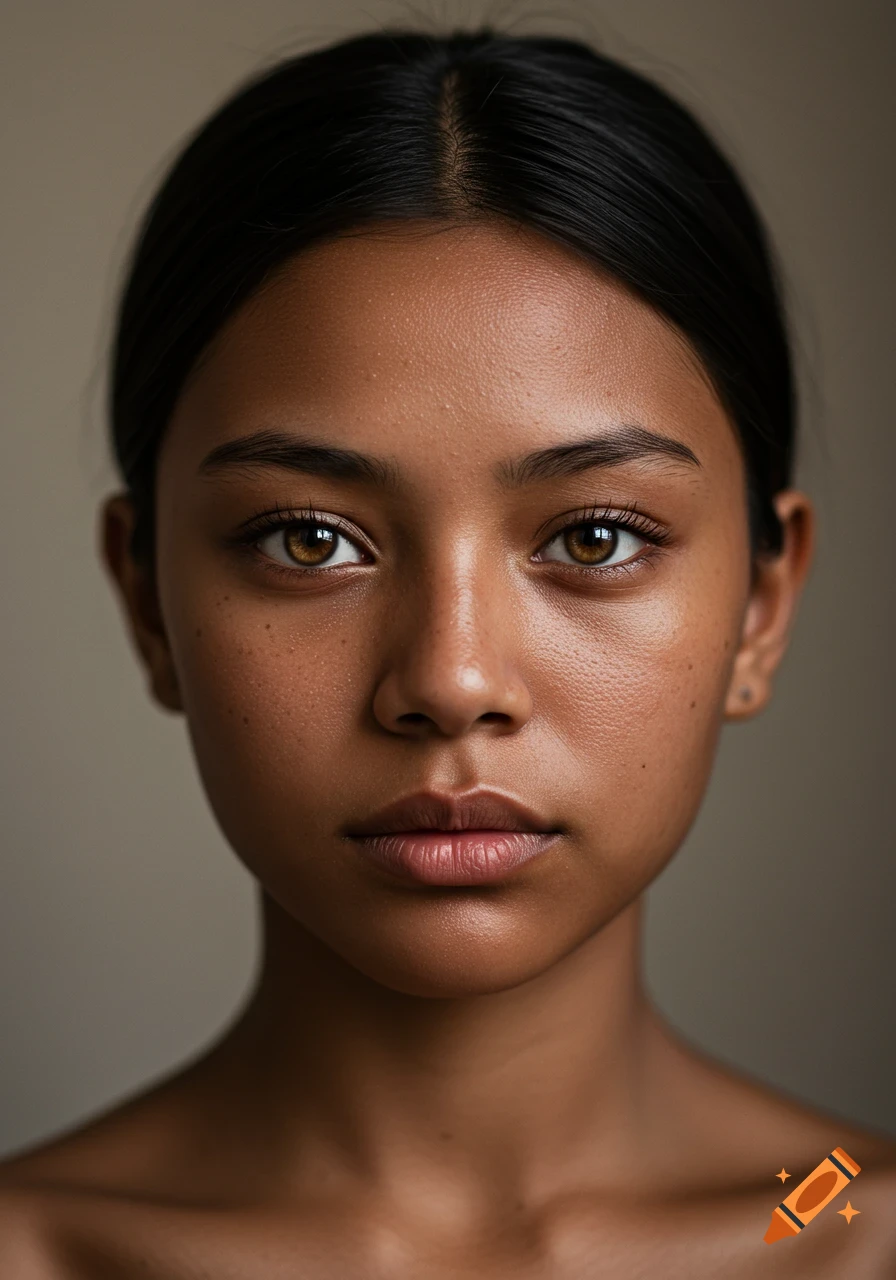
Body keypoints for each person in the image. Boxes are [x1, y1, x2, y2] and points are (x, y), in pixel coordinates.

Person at [2, 25, 894, 1279]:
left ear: (760, 602)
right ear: (147, 599)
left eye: (592, 534)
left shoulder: (841, 1209)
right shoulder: (37, 1245)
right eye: (308, 540)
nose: (450, 677)